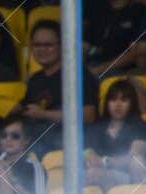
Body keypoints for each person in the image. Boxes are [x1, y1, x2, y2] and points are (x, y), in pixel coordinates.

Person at [12, 20, 98, 154]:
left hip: (67, 147)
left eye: (48, 45)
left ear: (62, 46)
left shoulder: (78, 76)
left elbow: (88, 115)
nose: (42, 49)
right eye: (37, 45)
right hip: (36, 145)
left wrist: (44, 114)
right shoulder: (35, 79)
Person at [87, 78, 146, 185]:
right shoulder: (97, 127)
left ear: (131, 103)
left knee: (138, 162)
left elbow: (134, 157)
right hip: (101, 173)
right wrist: (89, 156)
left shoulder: (142, 126)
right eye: (113, 100)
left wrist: (105, 161)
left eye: (123, 100)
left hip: (130, 177)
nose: (117, 105)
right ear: (107, 103)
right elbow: (87, 151)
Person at [84, 0, 146, 77]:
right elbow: (85, 45)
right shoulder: (98, 8)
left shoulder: (138, 12)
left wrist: (99, 69)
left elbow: (133, 54)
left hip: (119, 70)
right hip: (92, 64)